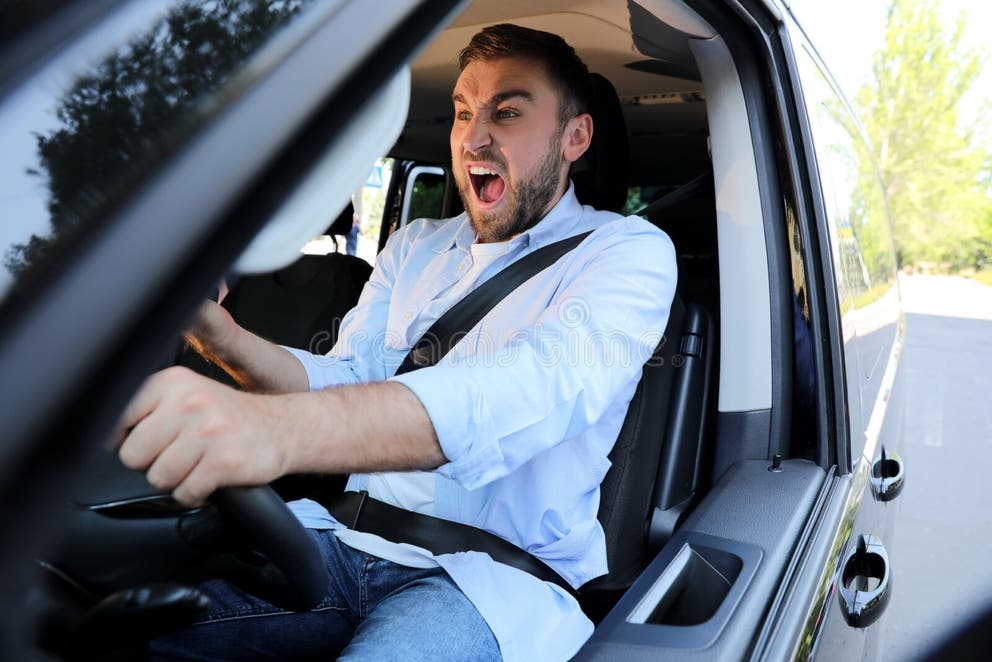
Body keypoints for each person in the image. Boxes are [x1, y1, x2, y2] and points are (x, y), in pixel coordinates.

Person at [118, 24, 677, 661]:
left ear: (575, 137)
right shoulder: (416, 245)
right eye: (464, 112)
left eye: (508, 111)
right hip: (337, 540)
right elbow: (343, 379)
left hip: (486, 582)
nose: (475, 135)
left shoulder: (627, 252)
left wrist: (275, 430)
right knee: (110, 628)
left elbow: (531, 388)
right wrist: (213, 331)